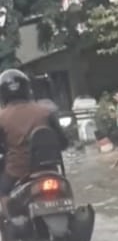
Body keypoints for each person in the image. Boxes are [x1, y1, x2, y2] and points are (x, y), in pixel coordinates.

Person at [0, 69, 68, 199]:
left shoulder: (1, 117)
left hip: (17, 172)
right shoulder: (46, 112)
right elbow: (64, 142)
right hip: (50, 170)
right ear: (27, 88)